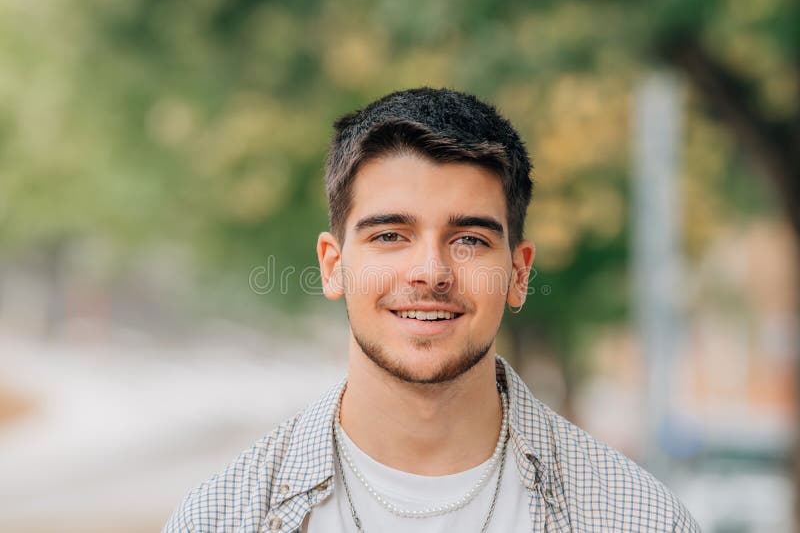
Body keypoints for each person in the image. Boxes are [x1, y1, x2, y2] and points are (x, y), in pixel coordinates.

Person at [163, 87, 699, 532]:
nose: (430, 271)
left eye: (468, 239)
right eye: (391, 234)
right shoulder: (223, 517)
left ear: (518, 273)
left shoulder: (638, 518)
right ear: (332, 265)